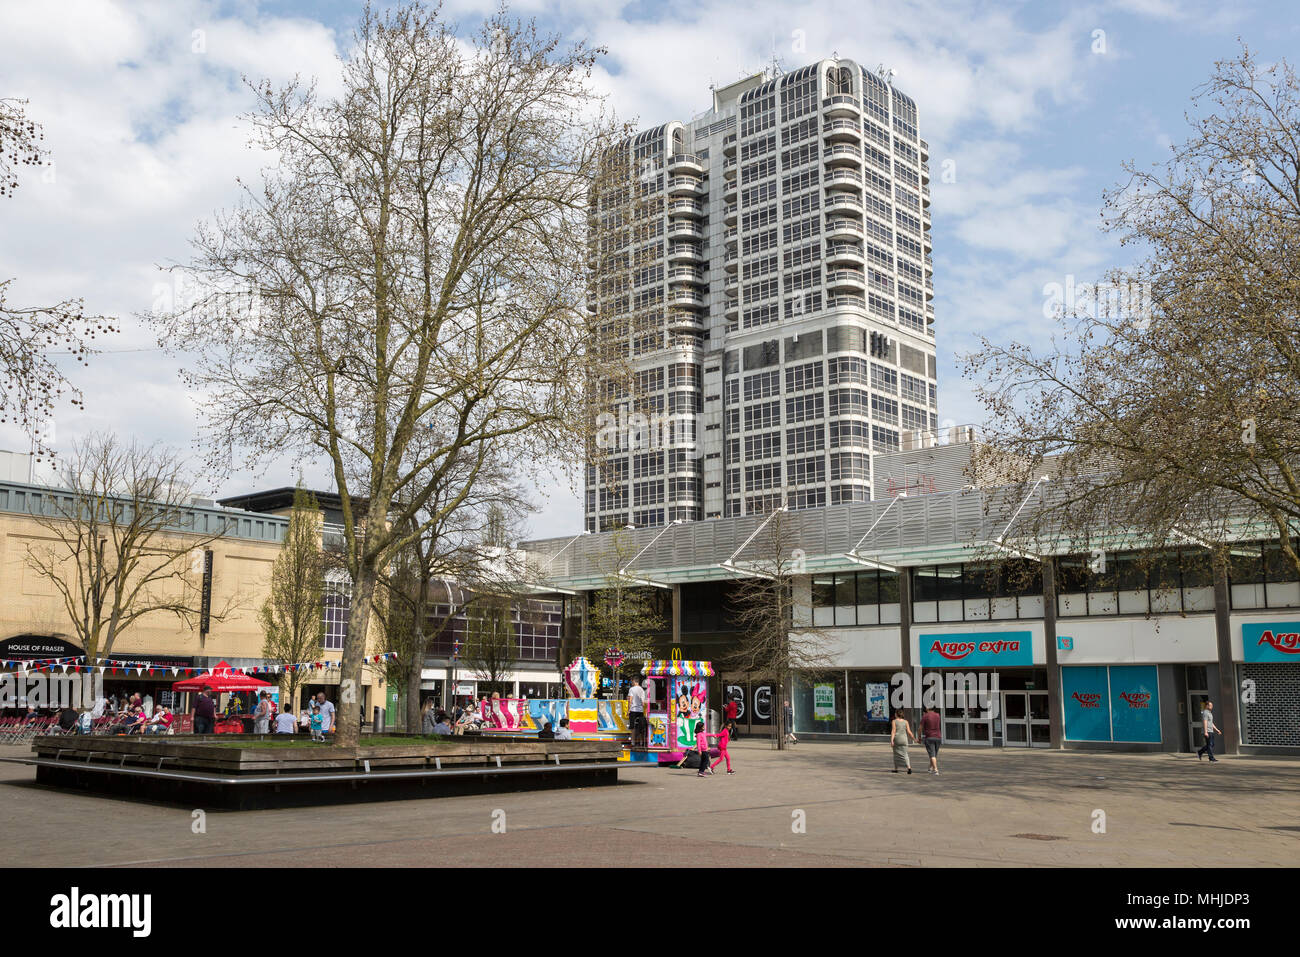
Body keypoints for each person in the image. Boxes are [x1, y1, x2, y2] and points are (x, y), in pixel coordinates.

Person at [890, 708, 915, 774]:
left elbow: (893, 731)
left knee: (896, 754)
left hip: (897, 739)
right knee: (905, 754)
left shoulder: (894, 721)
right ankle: (909, 768)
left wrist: (892, 740)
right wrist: (914, 739)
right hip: (904, 740)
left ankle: (896, 769)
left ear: (896, 714)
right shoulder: (906, 722)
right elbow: (909, 732)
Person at [920, 705, 942, 775]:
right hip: (938, 737)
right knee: (934, 755)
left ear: (927, 708)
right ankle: (930, 768)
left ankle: (935, 770)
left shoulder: (925, 716)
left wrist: (919, 737)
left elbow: (920, 728)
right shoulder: (938, 715)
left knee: (932, 755)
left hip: (929, 737)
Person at [628, 676, 647, 748]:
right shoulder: (642, 690)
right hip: (640, 711)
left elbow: (630, 700)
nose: (631, 682)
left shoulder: (631, 689)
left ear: (634, 681)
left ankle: (632, 742)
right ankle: (641, 741)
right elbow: (643, 702)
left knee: (632, 727)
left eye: (632, 681)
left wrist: (628, 710)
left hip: (633, 710)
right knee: (641, 726)